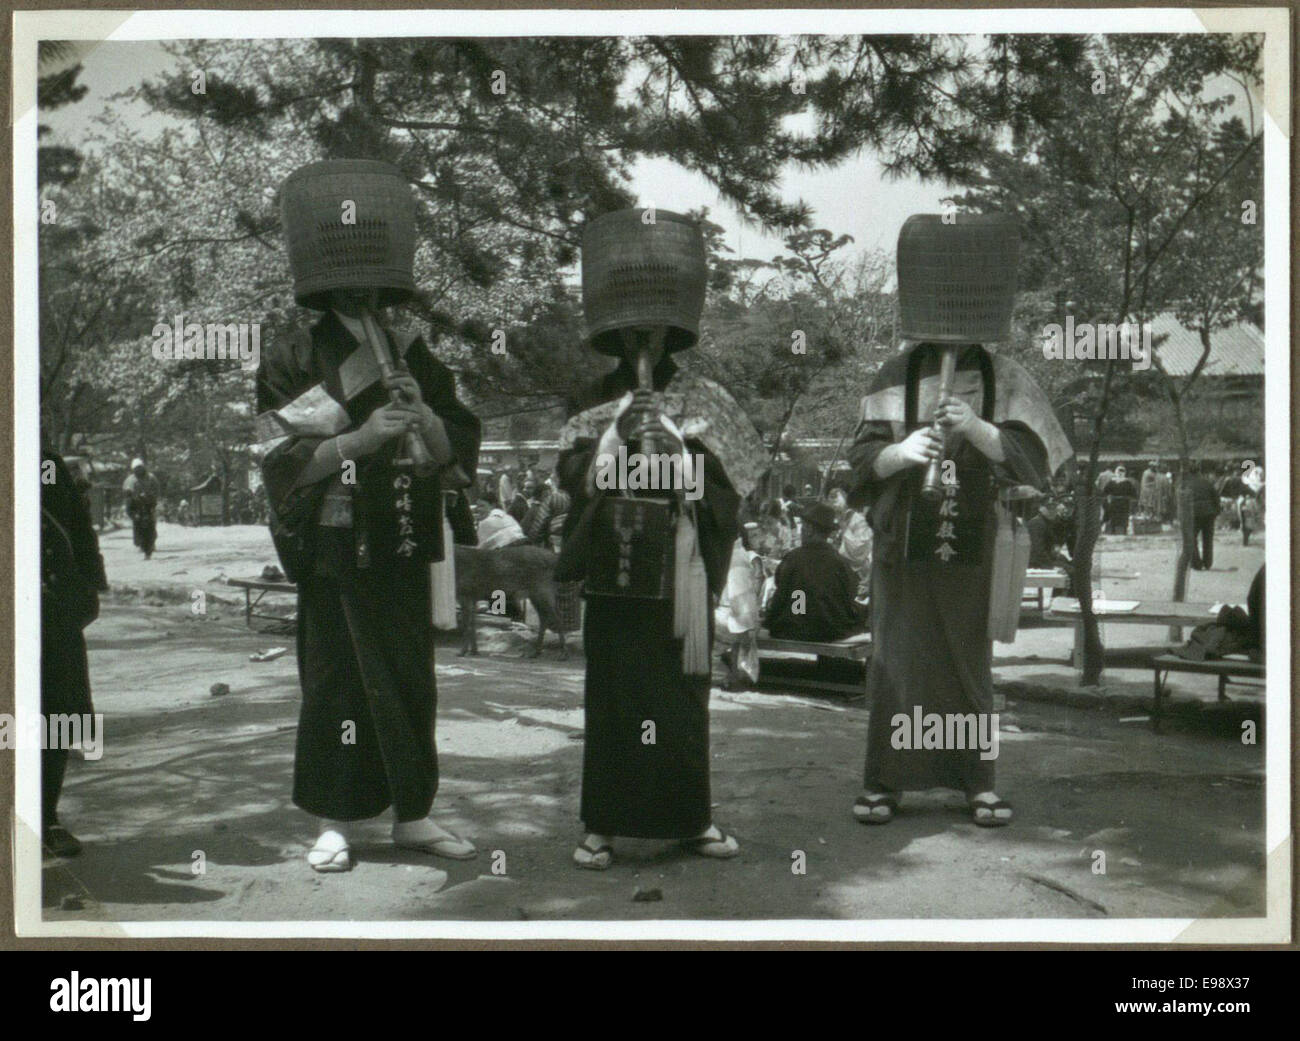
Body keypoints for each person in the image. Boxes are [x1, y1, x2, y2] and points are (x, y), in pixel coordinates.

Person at [256, 159, 482, 873]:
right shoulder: (292, 351)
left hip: (405, 526)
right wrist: (360, 438)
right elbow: (281, 455)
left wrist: (425, 420)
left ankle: (414, 813)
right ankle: (336, 818)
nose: (358, 288)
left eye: (369, 275)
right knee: (338, 675)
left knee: (411, 672)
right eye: (343, 276)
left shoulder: (411, 348)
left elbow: (459, 435)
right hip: (335, 531)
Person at [556, 207, 765, 871]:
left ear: (672, 329)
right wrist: (618, 432)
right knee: (614, 690)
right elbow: (575, 481)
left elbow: (729, 492)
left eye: (652, 327)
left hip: (681, 567)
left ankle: (690, 817)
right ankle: (603, 824)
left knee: (680, 695)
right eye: (629, 328)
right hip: (619, 564)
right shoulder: (592, 398)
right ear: (613, 331)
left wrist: (674, 446)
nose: (641, 338)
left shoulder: (703, 397)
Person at [41, 449, 109, 857]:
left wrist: (87, 583)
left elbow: (75, 522)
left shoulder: (44, 459)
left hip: (53, 604)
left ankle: (46, 817)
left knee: (58, 710)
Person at [764, 502, 867, 641]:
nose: (801, 531)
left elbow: (782, 594)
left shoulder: (792, 559)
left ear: (810, 529)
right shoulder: (839, 562)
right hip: (830, 629)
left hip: (794, 627)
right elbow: (850, 593)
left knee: (797, 596)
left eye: (803, 527)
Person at [1185, 461, 1221, 570]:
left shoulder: (1186, 484)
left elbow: (1182, 501)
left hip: (1193, 514)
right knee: (1208, 539)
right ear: (1199, 471)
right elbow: (1216, 497)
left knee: (1191, 538)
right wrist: (1216, 511)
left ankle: (1196, 563)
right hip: (1209, 513)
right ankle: (1207, 562)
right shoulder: (1207, 482)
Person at [122, 458, 159, 559]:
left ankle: (149, 547)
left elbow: (156, 491)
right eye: (136, 468)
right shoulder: (129, 480)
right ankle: (141, 544)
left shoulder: (151, 478)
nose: (138, 470)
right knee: (138, 527)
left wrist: (150, 498)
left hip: (148, 504)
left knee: (150, 526)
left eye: (140, 468)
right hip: (135, 506)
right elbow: (126, 493)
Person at [1104, 465, 1136, 534]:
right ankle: (1113, 530)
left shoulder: (1127, 482)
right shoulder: (1112, 482)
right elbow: (1105, 491)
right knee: (1114, 516)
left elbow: (1133, 492)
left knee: (1123, 516)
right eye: (1119, 471)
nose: (1120, 473)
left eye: (1122, 471)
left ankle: (1123, 530)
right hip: (1116, 502)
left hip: (1123, 502)